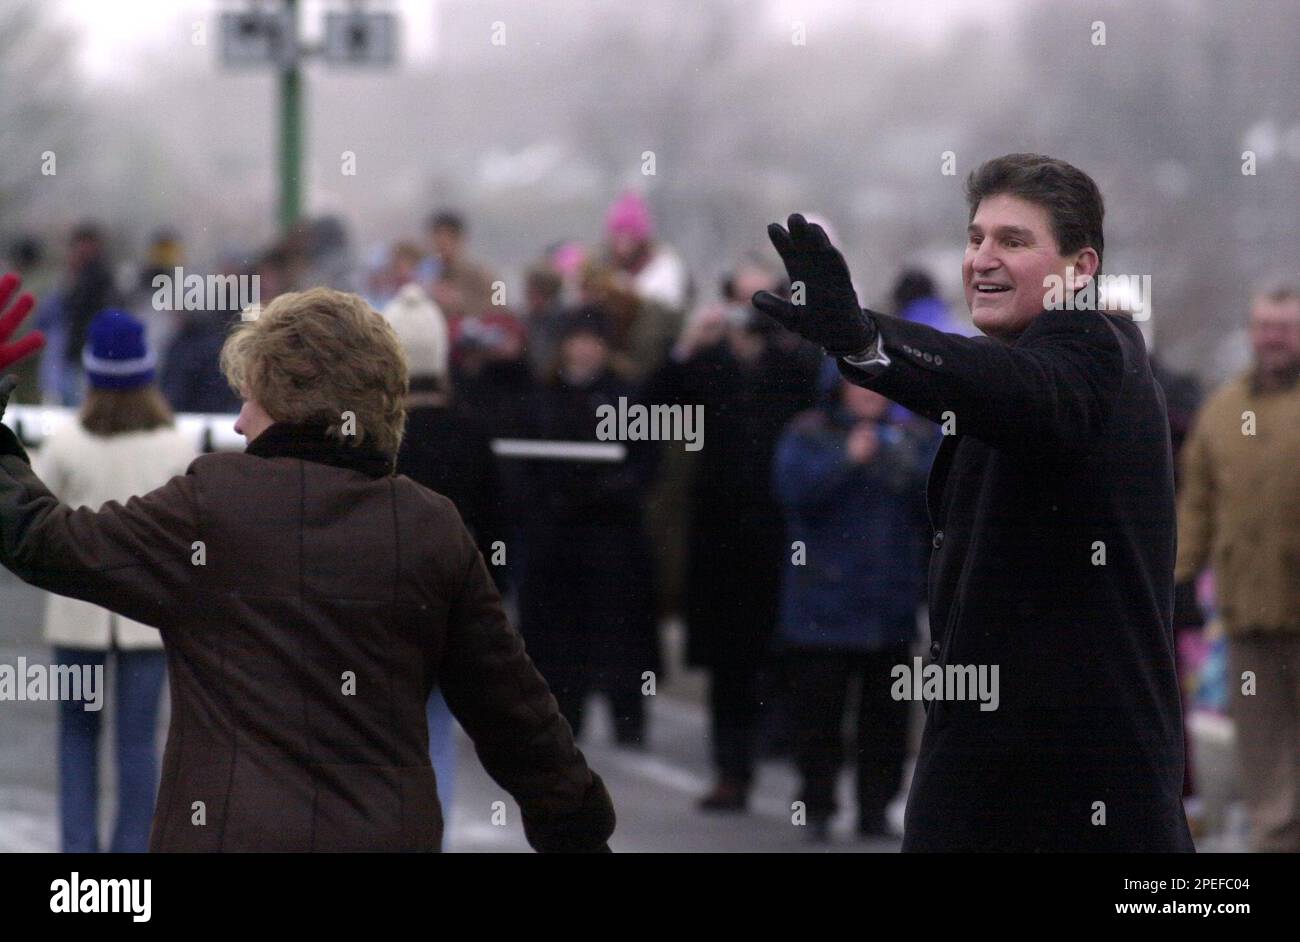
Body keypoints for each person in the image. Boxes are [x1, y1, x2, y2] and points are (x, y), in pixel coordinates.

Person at [0, 275, 614, 852]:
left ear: (292, 402)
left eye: (253, 400)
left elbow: (43, 540)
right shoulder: (431, 529)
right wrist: (577, 827)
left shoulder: (212, 507)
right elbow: (513, 712)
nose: (238, 422)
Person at [752, 153, 1194, 852]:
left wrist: (870, 338)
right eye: (975, 237)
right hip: (1003, 768)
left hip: (1067, 788)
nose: (982, 258)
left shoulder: (1092, 348)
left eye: (1013, 241)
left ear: (1080, 269)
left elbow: (1020, 390)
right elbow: (985, 387)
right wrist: (865, 347)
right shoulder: (1020, 366)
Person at [644, 279, 818, 811]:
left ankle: (809, 780)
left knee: (792, 661)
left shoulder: (792, 367)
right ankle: (732, 772)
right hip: (720, 539)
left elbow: (825, 385)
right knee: (729, 665)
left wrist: (791, 335)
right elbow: (651, 406)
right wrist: (688, 344)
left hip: (782, 538)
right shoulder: (709, 364)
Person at [34, 309, 197, 852]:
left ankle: (77, 856)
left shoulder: (65, 445)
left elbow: (35, 513)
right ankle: (132, 857)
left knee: (77, 738)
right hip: (147, 619)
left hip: (76, 617)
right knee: (139, 746)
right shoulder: (175, 448)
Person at [773, 363, 932, 842]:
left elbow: (934, 501)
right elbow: (793, 492)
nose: (868, 394)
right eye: (857, 383)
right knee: (819, 718)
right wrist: (847, 460)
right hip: (823, 605)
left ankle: (874, 809)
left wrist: (904, 464)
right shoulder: (809, 433)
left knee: (885, 723)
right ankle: (817, 806)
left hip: (890, 605)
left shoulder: (911, 436)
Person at [1174, 282, 1300, 852]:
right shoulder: (1224, 411)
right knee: (1264, 760)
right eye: (1265, 325)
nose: (1273, 338)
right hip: (1249, 616)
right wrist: (1170, 583)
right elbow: (1196, 506)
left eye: (1285, 326)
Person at [517, 307, 661, 747]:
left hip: (612, 536)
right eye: (575, 339)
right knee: (557, 637)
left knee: (621, 632)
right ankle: (564, 714)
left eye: (592, 339)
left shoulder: (628, 396)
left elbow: (648, 464)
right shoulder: (542, 395)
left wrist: (611, 489)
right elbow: (523, 464)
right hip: (556, 537)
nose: (583, 348)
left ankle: (628, 717)